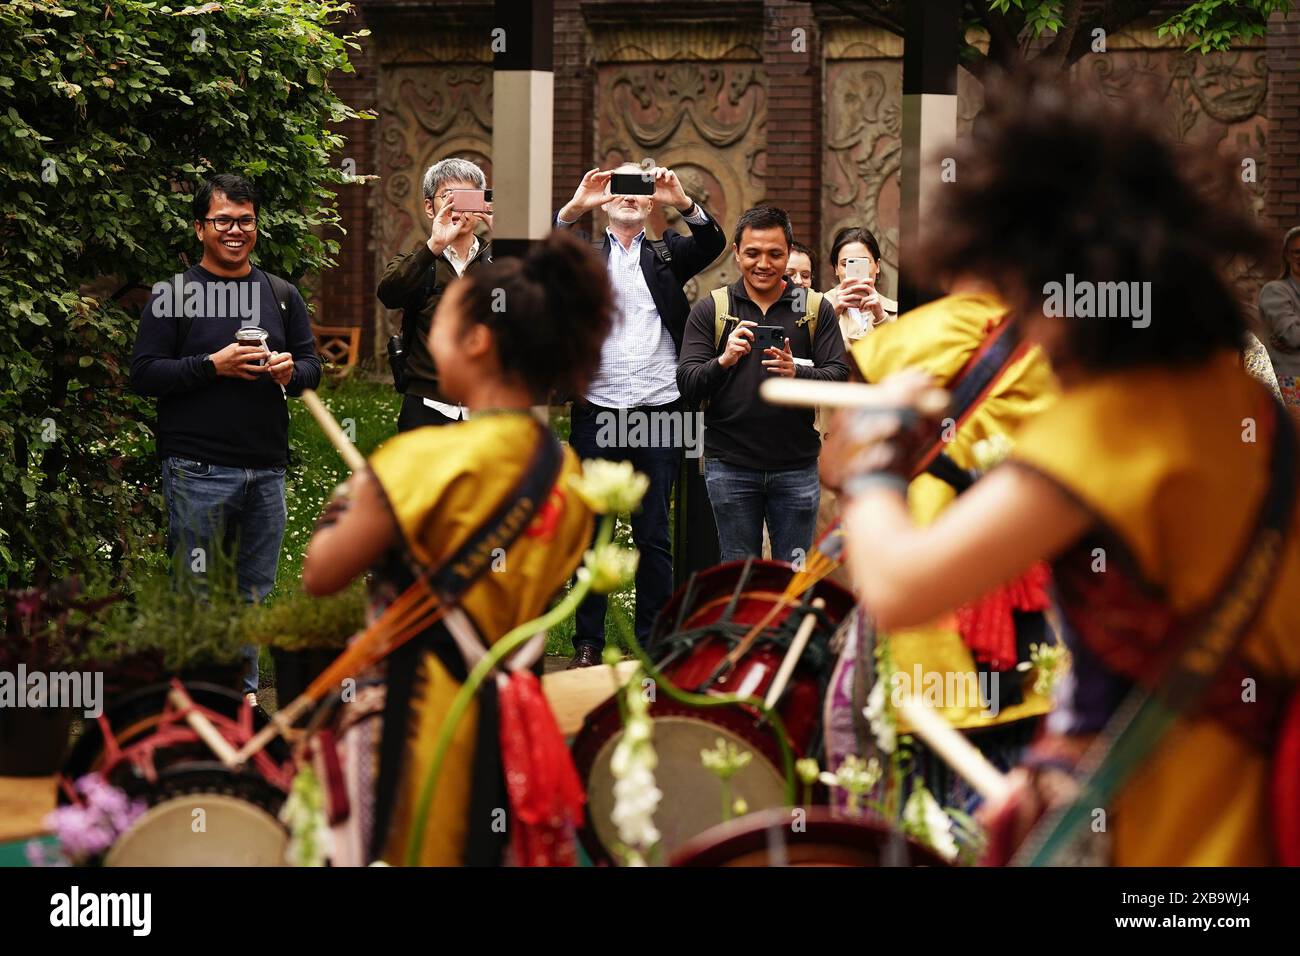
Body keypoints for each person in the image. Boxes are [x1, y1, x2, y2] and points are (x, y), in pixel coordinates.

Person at [830, 70, 1300, 865]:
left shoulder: (1107, 425)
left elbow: (900, 586)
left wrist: (870, 462)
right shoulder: (1239, 400)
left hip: (1170, 837)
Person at [302, 231, 614, 865]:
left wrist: (353, 496)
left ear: (475, 341)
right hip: (512, 718)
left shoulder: (421, 459)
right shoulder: (567, 470)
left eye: (439, 321)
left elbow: (320, 571)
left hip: (418, 720)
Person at [819, 274, 1058, 811]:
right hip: (1034, 630)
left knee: (905, 818)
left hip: (915, 610)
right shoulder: (1070, 356)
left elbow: (835, 465)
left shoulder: (908, 339)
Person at [131, 174, 322, 702]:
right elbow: (144, 374)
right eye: (223, 221)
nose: (235, 231)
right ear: (200, 228)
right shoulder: (174, 295)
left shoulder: (281, 295)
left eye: (245, 220)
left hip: (266, 468)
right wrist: (210, 367)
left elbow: (312, 368)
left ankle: (241, 701)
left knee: (251, 594)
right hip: (197, 467)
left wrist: (289, 371)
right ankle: (194, 707)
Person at [554, 164, 727, 668]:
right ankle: (587, 641)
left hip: (659, 404)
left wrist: (681, 199)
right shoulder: (583, 256)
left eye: (638, 189)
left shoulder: (668, 253)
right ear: (605, 202)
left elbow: (713, 242)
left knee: (654, 532)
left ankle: (652, 640)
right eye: (617, 188)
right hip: (598, 407)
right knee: (592, 530)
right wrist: (577, 203)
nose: (627, 196)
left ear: (649, 203)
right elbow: (536, 256)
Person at [677, 205, 849, 564]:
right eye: (752, 253)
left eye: (775, 254)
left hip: (797, 466)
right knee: (739, 571)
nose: (763, 263)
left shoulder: (813, 307)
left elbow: (838, 376)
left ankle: (785, 624)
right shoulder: (714, 307)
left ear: (788, 254)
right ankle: (742, 624)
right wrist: (724, 361)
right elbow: (688, 382)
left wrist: (796, 373)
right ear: (737, 253)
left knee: (792, 573)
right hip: (730, 465)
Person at [377, 158, 493, 432]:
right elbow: (389, 294)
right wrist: (434, 247)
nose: (458, 208)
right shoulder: (419, 261)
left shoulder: (499, 260)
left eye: (468, 198)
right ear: (430, 207)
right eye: (448, 197)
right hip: (427, 405)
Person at [825, 226, 898, 346]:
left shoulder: (895, 311)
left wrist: (881, 317)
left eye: (863, 263)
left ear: (877, 266)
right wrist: (831, 315)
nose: (854, 271)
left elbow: (901, 356)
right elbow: (809, 352)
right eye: (845, 264)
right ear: (836, 268)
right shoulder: (818, 305)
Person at [1258, 225, 1300, 415]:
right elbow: (1292, 336)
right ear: (1288, 255)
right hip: (1291, 381)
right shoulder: (1276, 291)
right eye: (1297, 252)